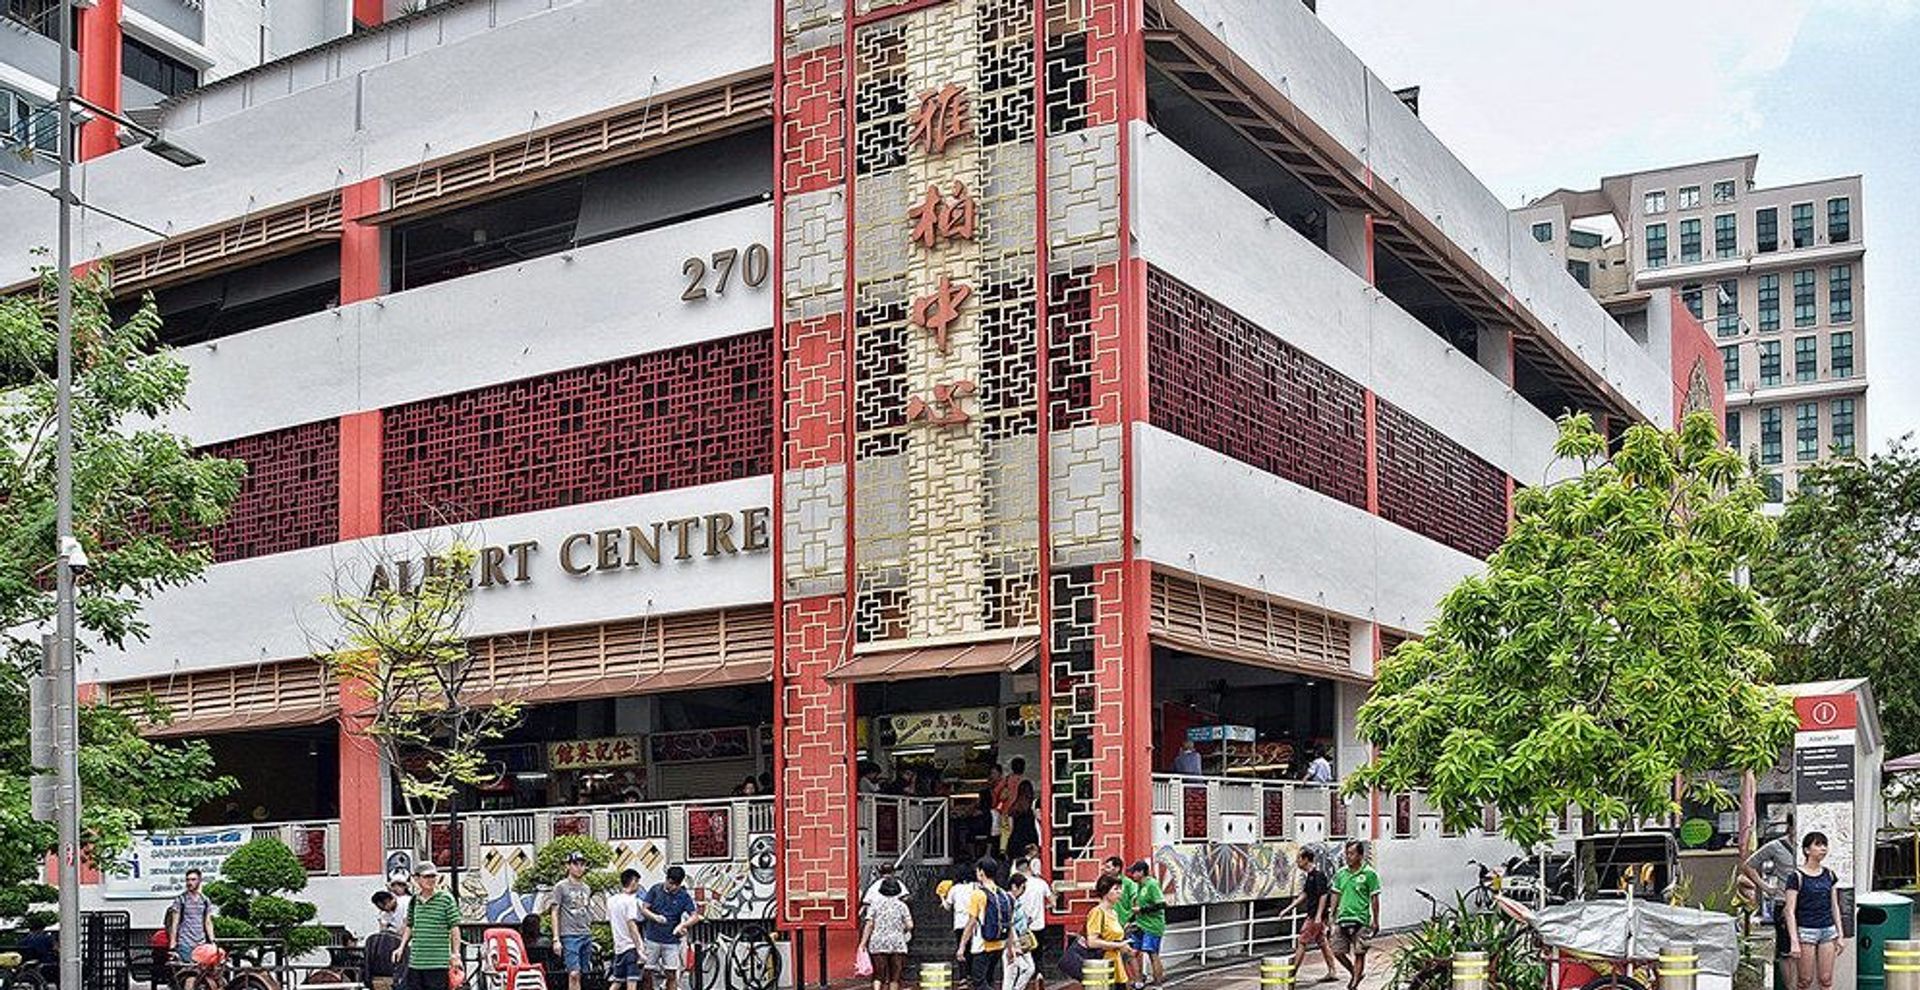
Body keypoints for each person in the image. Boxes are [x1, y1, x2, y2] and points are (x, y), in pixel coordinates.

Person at [1785, 831, 1847, 990]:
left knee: (1826, 979)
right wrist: (1794, 941)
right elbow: (1789, 911)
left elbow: (1834, 905)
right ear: (1807, 850)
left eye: (1825, 845)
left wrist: (1840, 934)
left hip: (1828, 930)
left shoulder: (1829, 874)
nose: (1823, 849)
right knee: (1805, 980)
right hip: (1806, 931)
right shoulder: (1796, 876)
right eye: (1818, 845)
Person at [394, 862, 461, 990]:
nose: (431, 880)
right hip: (416, 962)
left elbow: (454, 927)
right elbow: (410, 925)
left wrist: (456, 954)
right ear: (417, 878)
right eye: (426, 876)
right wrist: (401, 947)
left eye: (433, 876)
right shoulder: (414, 900)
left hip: (438, 963)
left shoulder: (446, 899)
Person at [1741, 816, 1798, 962]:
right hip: (1783, 901)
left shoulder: (1811, 846)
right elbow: (1749, 865)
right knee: (1786, 950)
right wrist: (1765, 887)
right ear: (1790, 827)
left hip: (1806, 903)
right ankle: (1788, 984)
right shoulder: (1776, 846)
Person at [639, 865, 704, 990]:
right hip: (652, 938)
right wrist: (655, 917)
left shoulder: (683, 895)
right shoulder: (655, 890)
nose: (673, 887)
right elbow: (644, 909)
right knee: (647, 972)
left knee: (671, 974)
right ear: (666, 879)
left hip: (672, 941)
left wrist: (683, 925)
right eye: (671, 883)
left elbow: (695, 916)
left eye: (677, 884)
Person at [1328, 841, 1380, 990]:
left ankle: (1354, 984)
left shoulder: (1370, 874)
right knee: (1337, 950)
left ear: (1360, 855)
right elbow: (1335, 894)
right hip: (1342, 918)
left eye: (1351, 854)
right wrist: (1332, 915)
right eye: (1347, 854)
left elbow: (1374, 898)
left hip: (1361, 919)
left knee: (1359, 952)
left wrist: (1376, 920)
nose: (1348, 857)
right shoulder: (1341, 874)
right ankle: (1354, 972)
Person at [1281, 848, 1336, 984]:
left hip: (1314, 916)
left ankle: (1292, 974)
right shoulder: (1310, 876)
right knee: (1322, 943)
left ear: (1306, 859)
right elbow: (1304, 894)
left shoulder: (1318, 876)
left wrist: (1318, 916)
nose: (1297, 862)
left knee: (1302, 942)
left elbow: (1324, 895)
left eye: (1299, 858)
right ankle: (1332, 971)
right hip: (1315, 915)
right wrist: (1288, 909)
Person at [958, 858, 1014, 990]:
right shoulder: (1004, 894)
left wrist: (962, 946)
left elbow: (971, 923)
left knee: (979, 982)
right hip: (999, 944)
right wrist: (1010, 948)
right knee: (989, 979)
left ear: (981, 872)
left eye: (978, 870)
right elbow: (1010, 923)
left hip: (982, 945)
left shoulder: (978, 895)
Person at [548, 851, 596, 990]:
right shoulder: (561, 886)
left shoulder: (586, 888)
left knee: (582, 972)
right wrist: (556, 939)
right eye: (575, 864)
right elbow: (554, 911)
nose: (579, 867)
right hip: (569, 934)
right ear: (568, 866)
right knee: (573, 972)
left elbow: (587, 909)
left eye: (582, 864)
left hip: (585, 933)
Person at [861, 877, 913, 990]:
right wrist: (902, 929)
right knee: (895, 976)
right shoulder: (902, 906)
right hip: (897, 942)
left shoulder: (875, 905)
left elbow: (869, 924)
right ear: (898, 890)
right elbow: (910, 925)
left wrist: (863, 943)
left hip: (878, 941)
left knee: (878, 975)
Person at [1084, 875, 1136, 988]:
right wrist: (1118, 945)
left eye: (1120, 888)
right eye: (1116, 889)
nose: (1120, 892)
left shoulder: (1113, 913)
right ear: (1105, 891)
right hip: (1101, 967)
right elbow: (1092, 942)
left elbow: (1114, 938)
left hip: (1116, 965)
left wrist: (1124, 947)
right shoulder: (1097, 912)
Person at [1122, 861, 1167, 986]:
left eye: (1134, 872)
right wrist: (1130, 921)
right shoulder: (1139, 886)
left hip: (1153, 926)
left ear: (1141, 872)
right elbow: (1138, 907)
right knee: (1131, 952)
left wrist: (1142, 910)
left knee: (1152, 954)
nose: (1132, 875)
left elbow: (1162, 904)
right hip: (1140, 924)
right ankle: (1138, 981)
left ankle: (1158, 984)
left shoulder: (1152, 884)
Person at [169, 868, 216, 966]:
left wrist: (212, 941)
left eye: (193, 879)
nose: (190, 882)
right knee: (188, 973)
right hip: (185, 943)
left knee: (202, 973)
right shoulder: (181, 900)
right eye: (188, 880)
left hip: (201, 943)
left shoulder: (205, 900)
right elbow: (175, 923)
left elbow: (208, 922)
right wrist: (172, 945)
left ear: (199, 881)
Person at [608, 868, 645, 990]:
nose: (638, 886)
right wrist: (640, 948)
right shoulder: (631, 901)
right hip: (630, 947)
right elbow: (632, 925)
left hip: (618, 947)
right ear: (633, 881)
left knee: (617, 981)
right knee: (632, 981)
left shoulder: (611, 901)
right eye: (637, 882)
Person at [1005, 874, 1039, 990]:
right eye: (1022, 887)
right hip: (1014, 940)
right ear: (1014, 886)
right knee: (1013, 970)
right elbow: (1010, 924)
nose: (1023, 891)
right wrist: (1014, 945)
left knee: (1026, 968)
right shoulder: (1009, 900)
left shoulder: (1015, 901)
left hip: (1021, 938)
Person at [942, 867, 979, 959]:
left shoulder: (954, 889)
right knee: (973, 949)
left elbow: (947, 906)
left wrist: (942, 897)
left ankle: (963, 971)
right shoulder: (976, 886)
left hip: (959, 922)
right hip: (973, 921)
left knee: (961, 947)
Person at [1007, 780, 1040, 862]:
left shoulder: (1014, 807)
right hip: (1030, 839)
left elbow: (1010, 828)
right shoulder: (1032, 807)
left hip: (1015, 841)